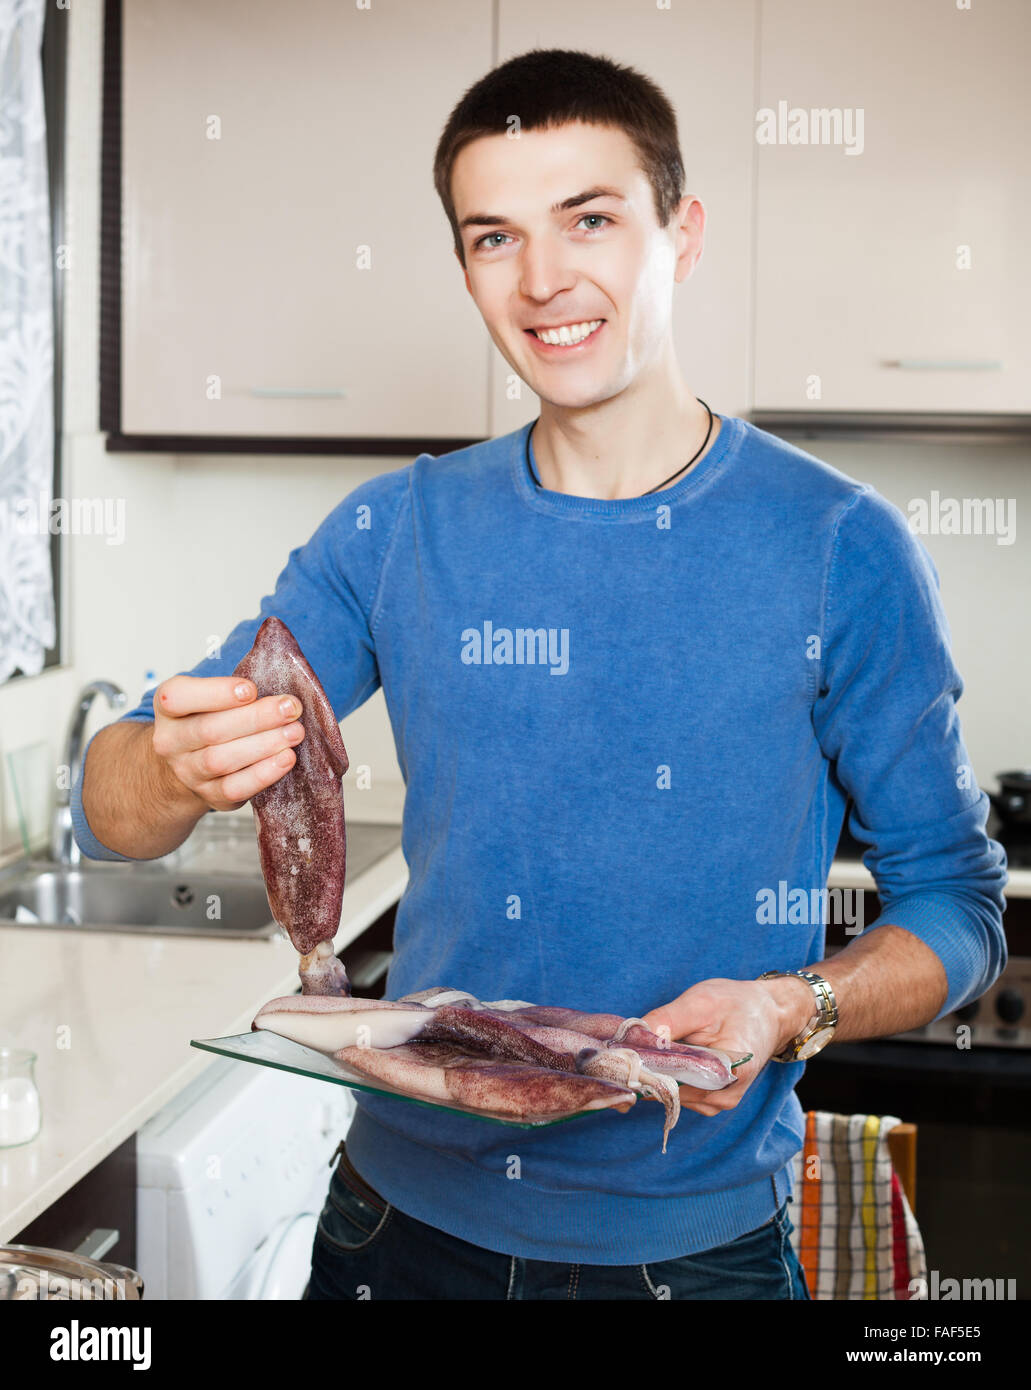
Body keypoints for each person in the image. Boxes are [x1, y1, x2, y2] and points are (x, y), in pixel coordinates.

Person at [73, 48, 1006, 1301]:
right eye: (492, 237)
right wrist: (170, 761)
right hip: (391, 1232)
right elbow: (110, 811)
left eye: (590, 219)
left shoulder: (840, 548)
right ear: (461, 267)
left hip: (688, 1258)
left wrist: (792, 1007)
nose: (543, 279)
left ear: (680, 234)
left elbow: (955, 905)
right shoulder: (395, 530)